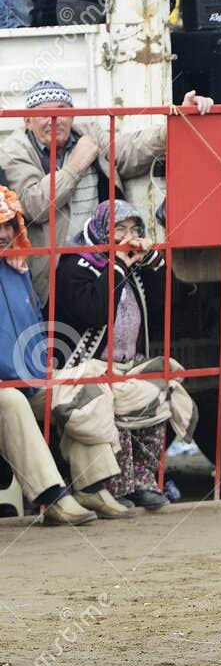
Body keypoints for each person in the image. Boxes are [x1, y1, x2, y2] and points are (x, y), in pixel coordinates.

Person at [0, 78, 208, 298]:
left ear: (72, 115)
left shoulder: (88, 134)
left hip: (106, 258)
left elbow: (129, 151)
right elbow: (35, 206)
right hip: (54, 272)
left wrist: (175, 125)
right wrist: (75, 166)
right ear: (27, 120)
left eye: (62, 111)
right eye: (43, 114)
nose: (55, 120)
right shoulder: (15, 150)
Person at [53, 200, 197, 511]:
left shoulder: (133, 266)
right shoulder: (75, 264)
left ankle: (143, 481)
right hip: (84, 367)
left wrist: (153, 260)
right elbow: (93, 312)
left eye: (135, 229)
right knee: (109, 397)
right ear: (102, 229)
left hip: (128, 364)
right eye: (120, 229)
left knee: (155, 389)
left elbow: (172, 306)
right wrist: (117, 265)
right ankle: (115, 484)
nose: (128, 236)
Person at [0, 188, 107, 526]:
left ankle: (94, 484)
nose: (4, 233)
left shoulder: (18, 268)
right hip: (7, 387)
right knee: (11, 401)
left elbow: (29, 327)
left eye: (8, 224)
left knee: (81, 380)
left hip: (26, 377)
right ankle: (52, 497)